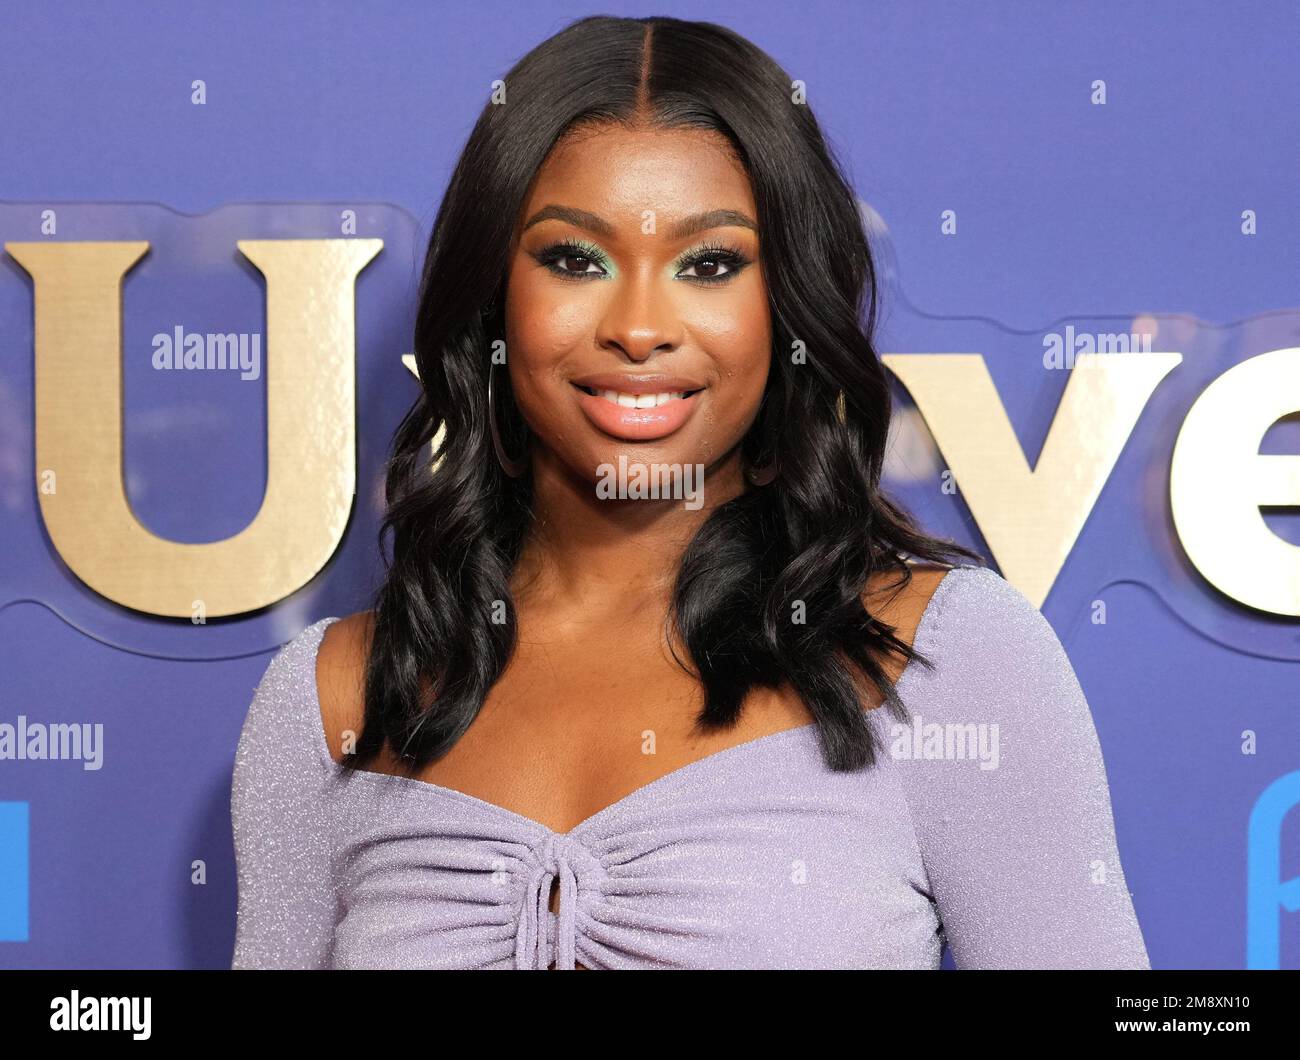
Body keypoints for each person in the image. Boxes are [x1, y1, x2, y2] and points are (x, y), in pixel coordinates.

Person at [230, 14, 1149, 970]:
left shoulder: (949, 658)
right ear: (493, 297)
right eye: (574, 259)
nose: (638, 327)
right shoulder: (331, 695)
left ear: (785, 301)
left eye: (709, 264)